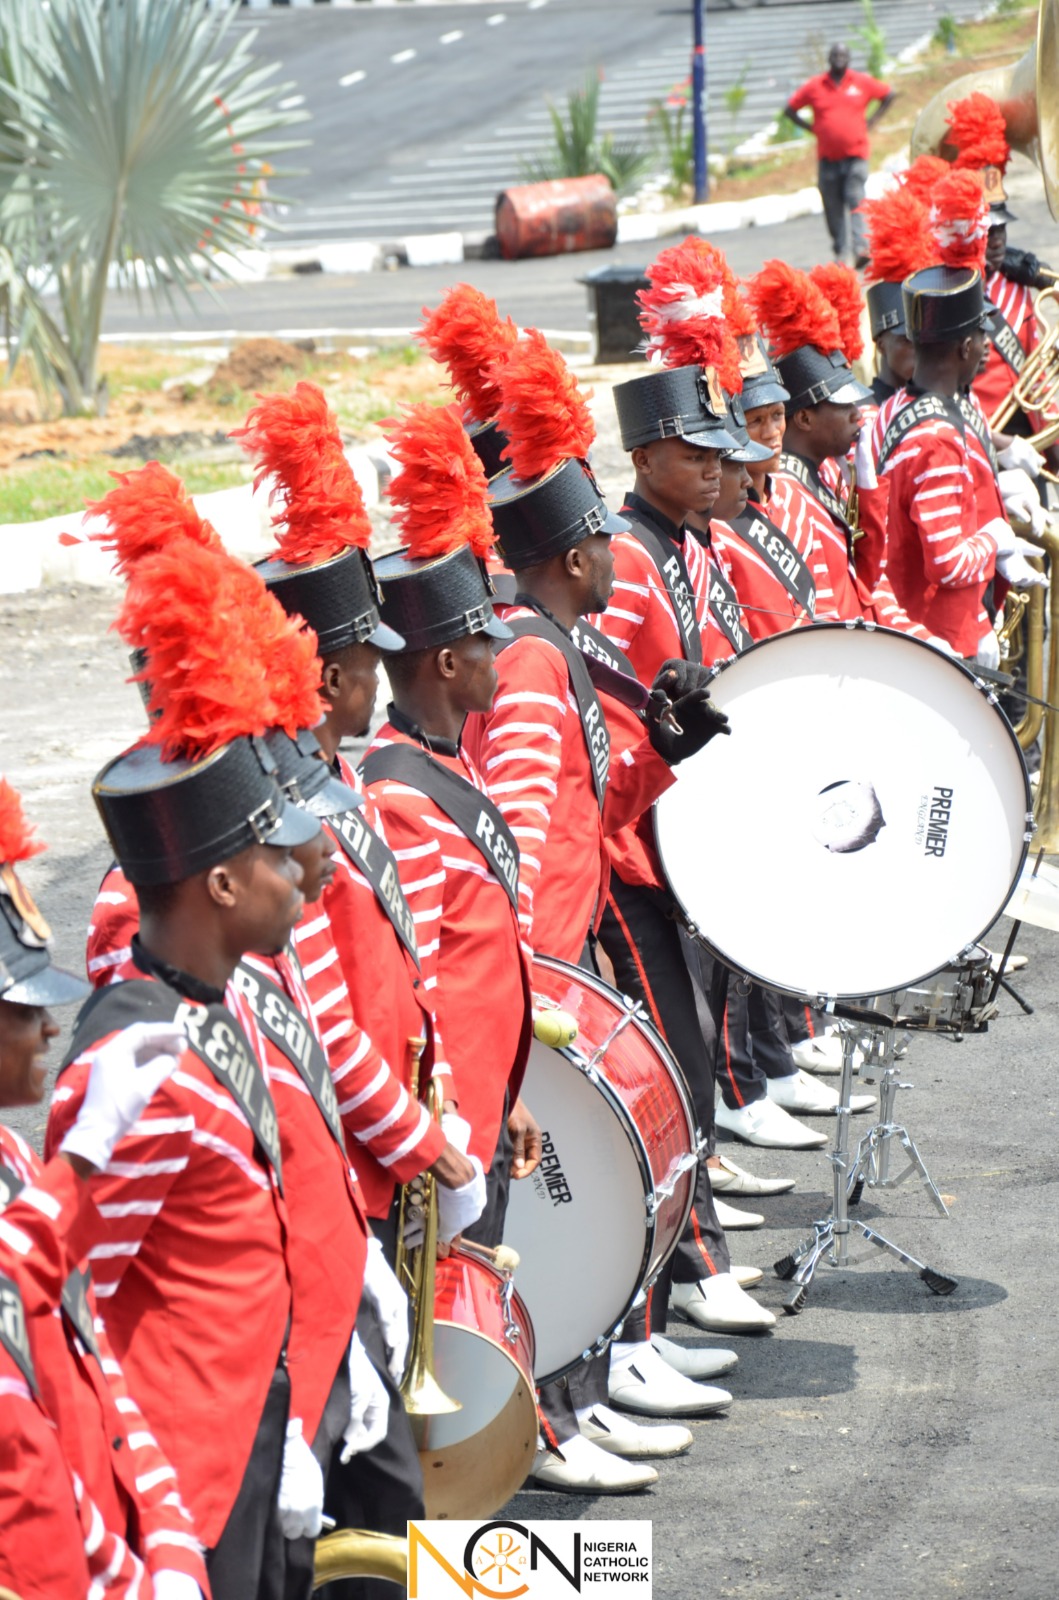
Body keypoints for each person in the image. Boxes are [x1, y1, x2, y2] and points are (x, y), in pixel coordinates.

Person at [45, 498, 378, 1600]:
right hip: (191, 1472)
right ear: (223, 882)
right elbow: (72, 1307)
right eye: (276, 859)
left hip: (260, 1424)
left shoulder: (217, 996)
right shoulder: (132, 1064)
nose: (306, 874)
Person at [471, 327, 737, 1492]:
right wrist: (535, 995)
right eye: (597, 544)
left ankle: (604, 1372)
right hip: (551, 959)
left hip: (573, 946)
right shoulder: (532, 665)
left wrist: (658, 749)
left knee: (615, 1157)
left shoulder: (559, 647)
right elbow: (524, 838)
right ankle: (565, 1401)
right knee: (571, 1181)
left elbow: (591, 786)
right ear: (577, 553)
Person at [594, 238, 778, 1338]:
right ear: (653, 453)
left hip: (681, 832)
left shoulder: (686, 544)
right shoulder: (623, 560)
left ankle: (691, 1252)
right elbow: (613, 723)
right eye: (700, 450)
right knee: (674, 1060)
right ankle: (683, 1272)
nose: (722, 466)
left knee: (696, 1047)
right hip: (633, 847)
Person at [0, 778, 191, 1599]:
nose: (50, 1027)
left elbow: (86, 1350)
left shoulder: (10, 1152)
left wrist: (163, 1525)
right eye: (20, 1008)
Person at [784, 42, 895, 266]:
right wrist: (811, 128)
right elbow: (790, 109)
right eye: (835, 55)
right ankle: (841, 252)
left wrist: (872, 120)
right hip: (828, 160)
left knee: (856, 199)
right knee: (833, 207)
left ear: (849, 58)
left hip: (856, 156)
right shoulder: (815, 86)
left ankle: (861, 248)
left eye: (843, 55)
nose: (839, 58)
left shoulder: (861, 82)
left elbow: (888, 95)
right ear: (829, 59)